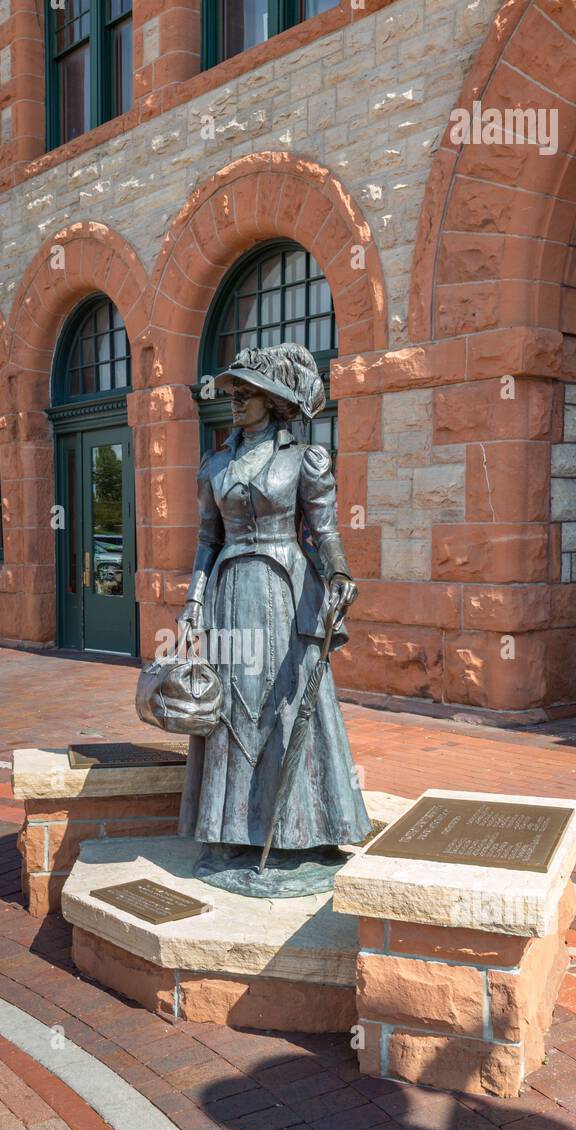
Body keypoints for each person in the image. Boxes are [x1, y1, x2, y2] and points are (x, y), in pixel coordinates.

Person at [177, 342, 372, 864]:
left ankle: (297, 834)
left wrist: (339, 574)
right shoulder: (216, 463)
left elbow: (324, 530)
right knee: (228, 710)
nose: (236, 401)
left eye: (247, 393)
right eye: (232, 393)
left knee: (285, 705)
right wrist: (193, 601)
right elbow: (205, 539)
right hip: (228, 593)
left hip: (287, 594)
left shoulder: (303, 459)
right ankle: (228, 832)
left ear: (273, 399)